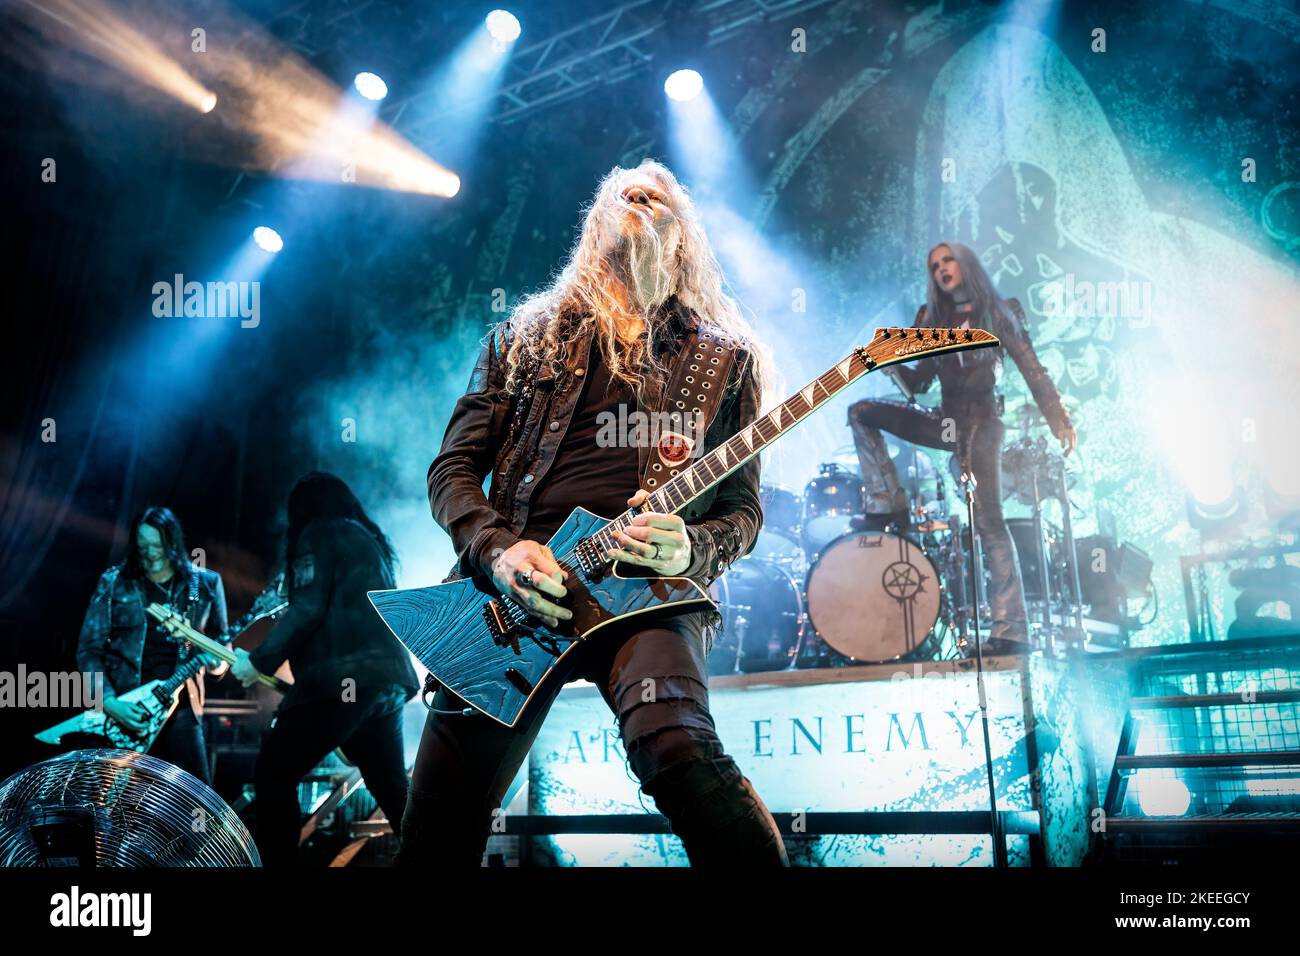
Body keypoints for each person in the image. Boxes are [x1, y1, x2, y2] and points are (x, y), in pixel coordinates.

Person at [397, 159, 787, 866]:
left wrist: (689, 549)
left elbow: (743, 514)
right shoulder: (522, 339)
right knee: (434, 833)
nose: (638, 197)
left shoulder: (725, 363)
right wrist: (498, 549)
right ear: (595, 223)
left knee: (680, 750)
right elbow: (451, 470)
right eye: (623, 192)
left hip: (646, 590)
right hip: (514, 593)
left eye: (656, 195)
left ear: (682, 234)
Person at [848, 241, 1077, 653]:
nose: (941, 269)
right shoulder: (930, 319)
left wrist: (1058, 418)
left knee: (989, 522)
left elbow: (1031, 367)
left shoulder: (999, 310)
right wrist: (885, 359)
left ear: (965, 262)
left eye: (947, 260)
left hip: (984, 424)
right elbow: (918, 386)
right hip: (946, 422)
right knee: (862, 411)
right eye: (934, 265)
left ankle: (1010, 631)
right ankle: (887, 503)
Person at [231, 472, 419, 866]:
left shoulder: (317, 534)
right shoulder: (369, 541)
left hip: (340, 681)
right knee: (392, 787)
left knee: (273, 775)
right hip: (386, 680)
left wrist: (258, 661)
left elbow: (307, 609)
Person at [76, 506, 228, 782]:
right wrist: (108, 702)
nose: (151, 552)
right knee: (111, 804)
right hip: (125, 707)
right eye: (143, 545)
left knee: (195, 804)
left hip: (182, 709)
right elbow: (88, 651)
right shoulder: (114, 583)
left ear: (173, 543)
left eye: (158, 545)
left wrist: (212, 659)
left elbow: (222, 658)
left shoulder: (205, 583)